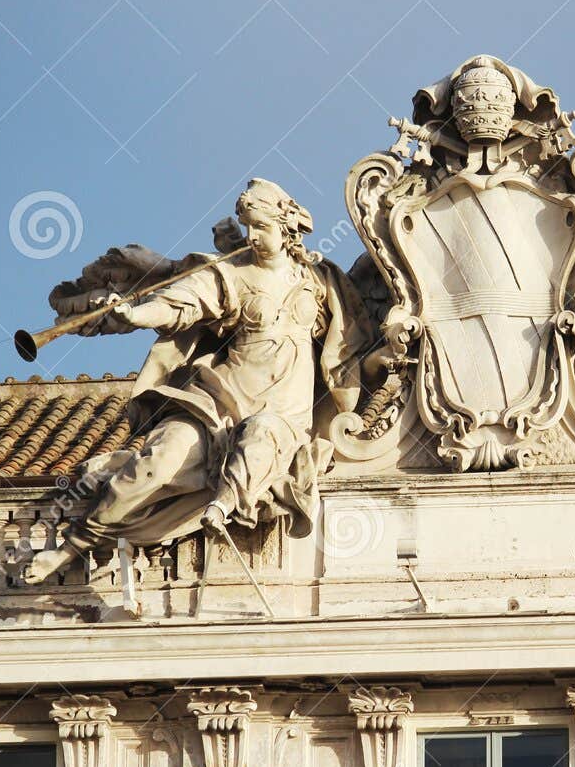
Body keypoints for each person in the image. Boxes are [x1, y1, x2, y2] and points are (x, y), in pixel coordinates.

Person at [21, 179, 372, 585]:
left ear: (286, 225)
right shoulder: (230, 274)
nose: (253, 236)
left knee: (261, 436)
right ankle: (74, 544)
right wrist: (135, 315)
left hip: (285, 409)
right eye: (247, 226)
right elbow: (178, 305)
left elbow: (355, 336)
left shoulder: (320, 280)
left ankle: (221, 508)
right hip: (220, 397)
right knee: (156, 464)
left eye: (261, 227)